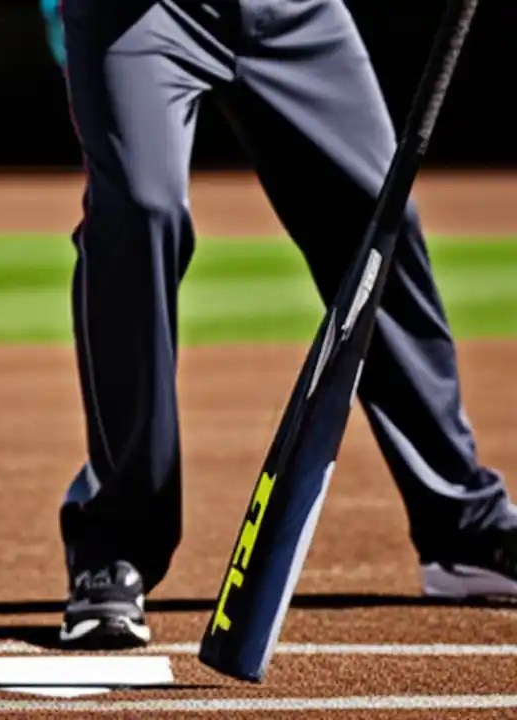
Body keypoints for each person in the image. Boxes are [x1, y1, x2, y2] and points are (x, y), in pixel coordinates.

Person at [43, 0, 517, 649]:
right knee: (140, 213)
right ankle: (116, 542)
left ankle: (465, 528)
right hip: (136, 15)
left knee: (381, 224)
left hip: (291, 9)